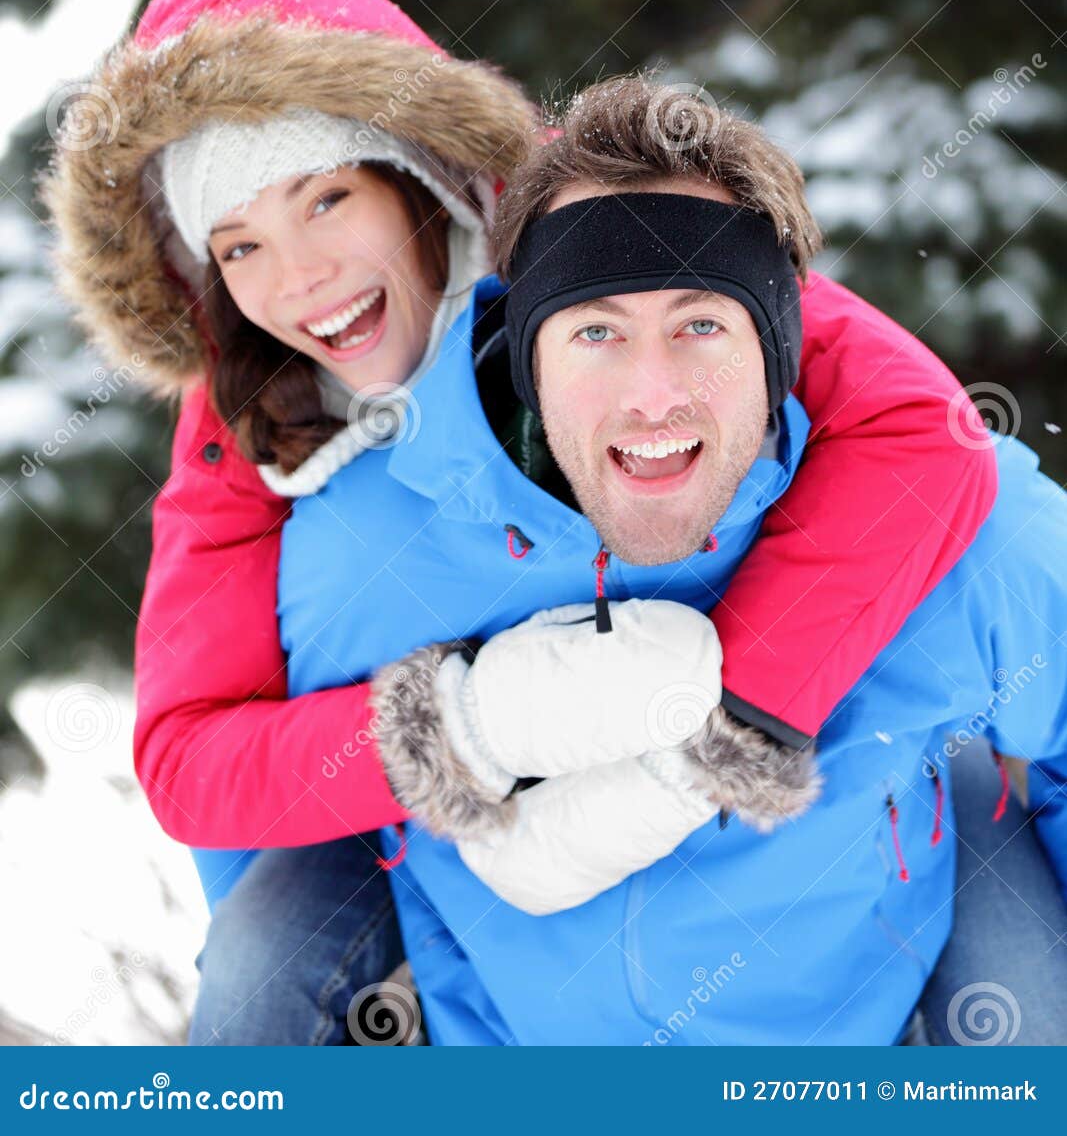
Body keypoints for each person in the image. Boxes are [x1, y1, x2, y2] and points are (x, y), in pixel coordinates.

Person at [41, 0, 998, 1044]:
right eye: (239, 244)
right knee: (263, 966)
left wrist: (732, 705)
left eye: (327, 198)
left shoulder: (596, 234)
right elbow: (188, 759)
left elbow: (918, 426)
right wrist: (460, 726)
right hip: (433, 841)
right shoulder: (248, 415)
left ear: (418, 168)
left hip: (759, 783)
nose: (298, 280)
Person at [265, 76, 1067, 1044]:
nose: (652, 395)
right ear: (527, 357)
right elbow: (294, 847)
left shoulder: (961, 534)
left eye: (701, 325)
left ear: (776, 352)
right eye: (595, 331)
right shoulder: (363, 554)